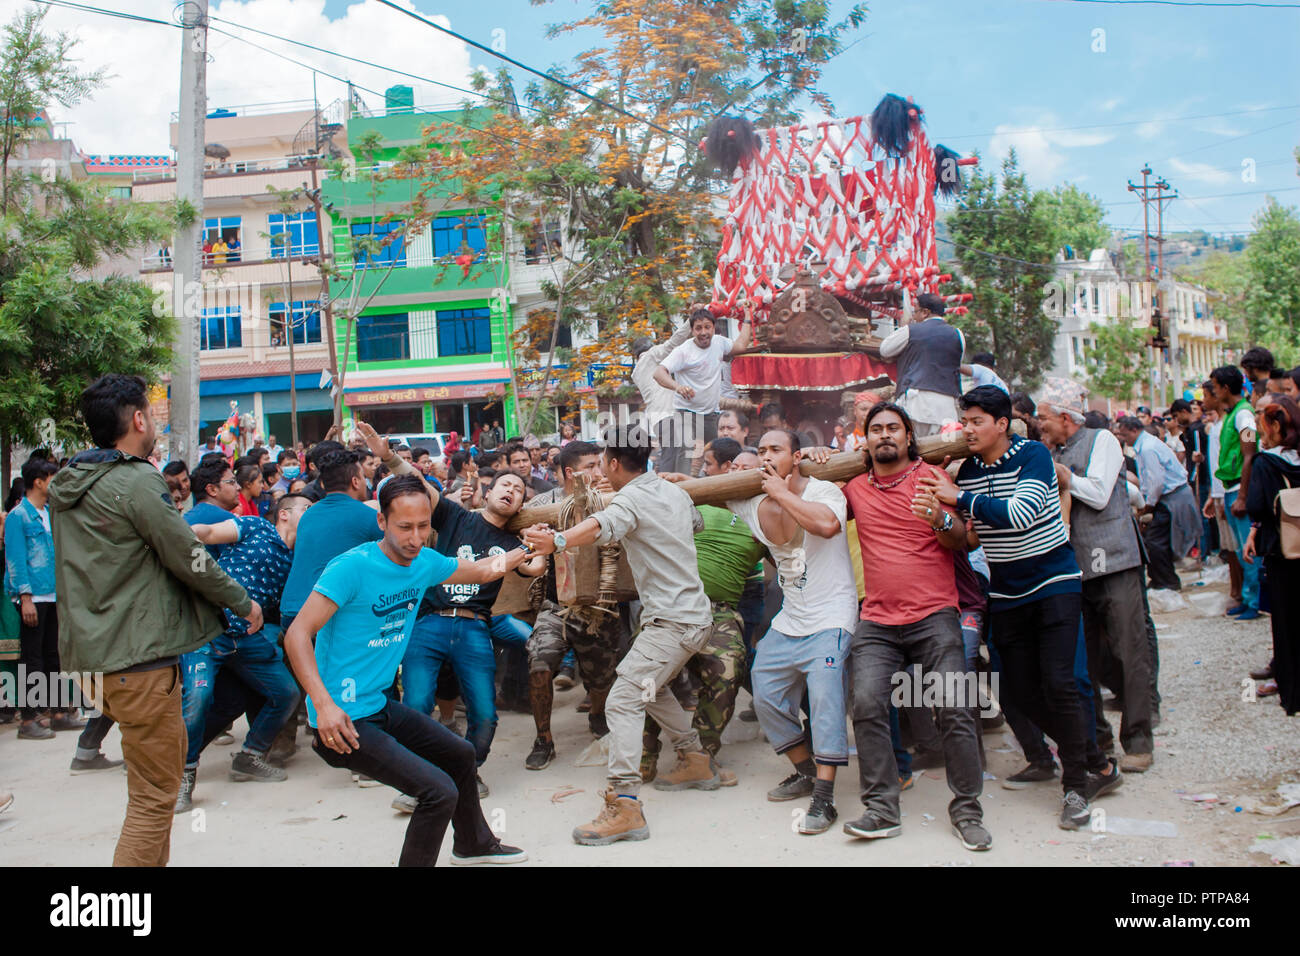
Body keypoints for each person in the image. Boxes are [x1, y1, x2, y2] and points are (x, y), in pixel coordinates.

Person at [49, 374, 259, 866]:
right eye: (151, 412)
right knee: (152, 799)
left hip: (94, 655)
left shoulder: (69, 482)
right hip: (137, 656)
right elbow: (188, 554)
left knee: (152, 792)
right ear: (139, 418)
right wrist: (240, 600)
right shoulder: (135, 479)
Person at [284, 475, 532, 866]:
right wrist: (324, 705)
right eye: (404, 527)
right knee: (438, 792)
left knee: (460, 754)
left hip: (376, 707)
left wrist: (526, 549)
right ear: (381, 522)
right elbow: (297, 634)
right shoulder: (351, 568)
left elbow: (484, 571)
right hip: (343, 721)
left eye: (422, 526)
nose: (415, 537)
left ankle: (473, 843)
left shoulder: (425, 563)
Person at [920, 386, 1120, 831]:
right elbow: (970, 538)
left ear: (1001, 425)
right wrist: (941, 517)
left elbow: (1021, 514)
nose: (967, 430)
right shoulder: (966, 472)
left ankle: (1075, 786)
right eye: (964, 421)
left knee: (1060, 685)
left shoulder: (1032, 455)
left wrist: (958, 499)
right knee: (1017, 693)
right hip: (1007, 593)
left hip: (1053, 585)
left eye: (976, 422)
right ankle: (1093, 760)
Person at [524, 425, 720, 846]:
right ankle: (695, 759)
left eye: (602, 463)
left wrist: (555, 540)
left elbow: (599, 526)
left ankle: (625, 804)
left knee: (624, 698)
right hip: (693, 617)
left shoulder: (630, 499)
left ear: (614, 463)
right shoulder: (674, 494)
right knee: (650, 686)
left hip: (673, 622)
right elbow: (696, 524)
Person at [839, 403, 989, 849]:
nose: (885, 435)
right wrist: (815, 459)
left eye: (893, 428)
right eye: (876, 429)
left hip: (935, 616)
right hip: (878, 620)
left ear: (908, 437)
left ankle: (967, 810)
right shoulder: (853, 488)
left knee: (956, 708)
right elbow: (813, 496)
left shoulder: (933, 479)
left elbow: (962, 539)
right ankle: (882, 809)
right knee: (865, 704)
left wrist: (940, 518)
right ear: (864, 439)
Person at [721, 428, 859, 835]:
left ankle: (825, 798)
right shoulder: (748, 502)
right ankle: (804, 770)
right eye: (760, 450)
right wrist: (678, 481)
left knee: (825, 699)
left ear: (795, 456)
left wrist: (781, 492)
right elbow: (698, 489)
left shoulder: (822, 490)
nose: (766, 456)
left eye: (775, 449)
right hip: (791, 619)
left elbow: (828, 527)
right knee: (764, 692)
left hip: (831, 616)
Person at [401, 471, 548, 797]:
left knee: (484, 714)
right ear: (488, 491)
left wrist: (538, 543)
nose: (511, 491)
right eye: (505, 484)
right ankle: (418, 782)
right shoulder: (455, 516)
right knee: (415, 705)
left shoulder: (512, 544)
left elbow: (535, 568)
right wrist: (387, 455)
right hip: (430, 623)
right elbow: (420, 486)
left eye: (519, 490)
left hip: (474, 627)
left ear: (522, 503)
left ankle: (465, 772)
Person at [175, 495, 313, 812]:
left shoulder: (296, 560)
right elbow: (206, 534)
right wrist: (182, 536)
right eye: (306, 508)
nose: (312, 514)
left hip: (247, 640)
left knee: (287, 693)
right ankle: (181, 775)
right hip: (207, 630)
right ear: (284, 514)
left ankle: (249, 756)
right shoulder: (253, 526)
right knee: (198, 697)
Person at [1039, 401, 1155, 773]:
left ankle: (1137, 738)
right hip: (1073, 568)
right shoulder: (1050, 453)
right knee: (1084, 661)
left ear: (1064, 418)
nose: (1038, 425)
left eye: (1043, 418)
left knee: (1127, 651)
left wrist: (1066, 478)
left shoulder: (1101, 439)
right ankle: (1096, 736)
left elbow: (1102, 494)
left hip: (1115, 560)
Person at [641, 436, 762, 783]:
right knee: (648, 676)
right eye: (734, 469)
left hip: (719, 612)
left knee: (729, 670)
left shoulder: (763, 519)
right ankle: (644, 754)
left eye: (746, 472)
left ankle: (698, 757)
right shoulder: (695, 500)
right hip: (669, 606)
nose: (737, 475)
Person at [522, 441, 626, 770]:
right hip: (556, 606)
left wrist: (618, 495)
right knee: (539, 666)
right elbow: (517, 527)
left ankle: (597, 716)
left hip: (601, 606)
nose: (601, 471)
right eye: (593, 465)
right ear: (571, 473)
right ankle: (544, 740)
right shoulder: (542, 504)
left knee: (602, 678)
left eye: (601, 464)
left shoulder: (615, 500)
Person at [5, 457, 97, 744]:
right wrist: (25, 596)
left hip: (53, 593)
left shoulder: (48, 513)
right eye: (52, 479)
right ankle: (30, 717)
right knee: (32, 658)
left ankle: (57, 712)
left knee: (54, 656)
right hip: (33, 595)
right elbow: (16, 559)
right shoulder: (19, 516)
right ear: (39, 481)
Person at [1244, 395, 1300, 715]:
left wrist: (1255, 528)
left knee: (1286, 622)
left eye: (1262, 420)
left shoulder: (1266, 462)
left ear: (1276, 425)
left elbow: (1258, 506)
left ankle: (1292, 692)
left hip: (1282, 551)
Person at [653, 303, 753, 475]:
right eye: (698, 328)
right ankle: (674, 490)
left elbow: (741, 346)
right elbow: (658, 373)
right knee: (683, 456)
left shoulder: (720, 343)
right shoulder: (683, 351)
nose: (703, 332)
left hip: (711, 414)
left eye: (707, 327)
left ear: (714, 328)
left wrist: (748, 318)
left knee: (720, 454)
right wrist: (678, 387)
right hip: (686, 413)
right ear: (692, 331)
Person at [1115, 416, 1201, 594]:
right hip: (1164, 497)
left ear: (1134, 430)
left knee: (1156, 541)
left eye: (1124, 435)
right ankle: (1159, 577)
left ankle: (1167, 580)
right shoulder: (1144, 446)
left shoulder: (1147, 448)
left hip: (1171, 497)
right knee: (1154, 539)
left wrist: (1148, 505)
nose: (1124, 439)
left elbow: (1156, 481)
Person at [1206, 366, 1261, 620]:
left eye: (1215, 386)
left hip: (1241, 488)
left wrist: (1242, 496)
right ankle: (1249, 599)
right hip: (1230, 488)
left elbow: (1250, 453)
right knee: (1239, 549)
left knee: (1248, 551)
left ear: (1225, 388)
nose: (1214, 392)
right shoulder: (1231, 415)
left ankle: (1255, 601)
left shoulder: (1244, 415)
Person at [878, 292, 963, 437]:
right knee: (948, 449)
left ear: (925, 312)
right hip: (947, 406)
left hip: (916, 403)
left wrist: (904, 327)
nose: (913, 316)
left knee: (914, 449)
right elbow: (956, 363)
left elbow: (885, 350)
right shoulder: (958, 334)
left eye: (915, 311)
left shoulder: (911, 330)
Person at [631, 320, 693, 472]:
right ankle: (668, 485)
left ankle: (667, 483)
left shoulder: (636, 372)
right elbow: (674, 342)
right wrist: (691, 321)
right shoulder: (652, 355)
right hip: (667, 414)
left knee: (669, 453)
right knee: (674, 454)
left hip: (657, 416)